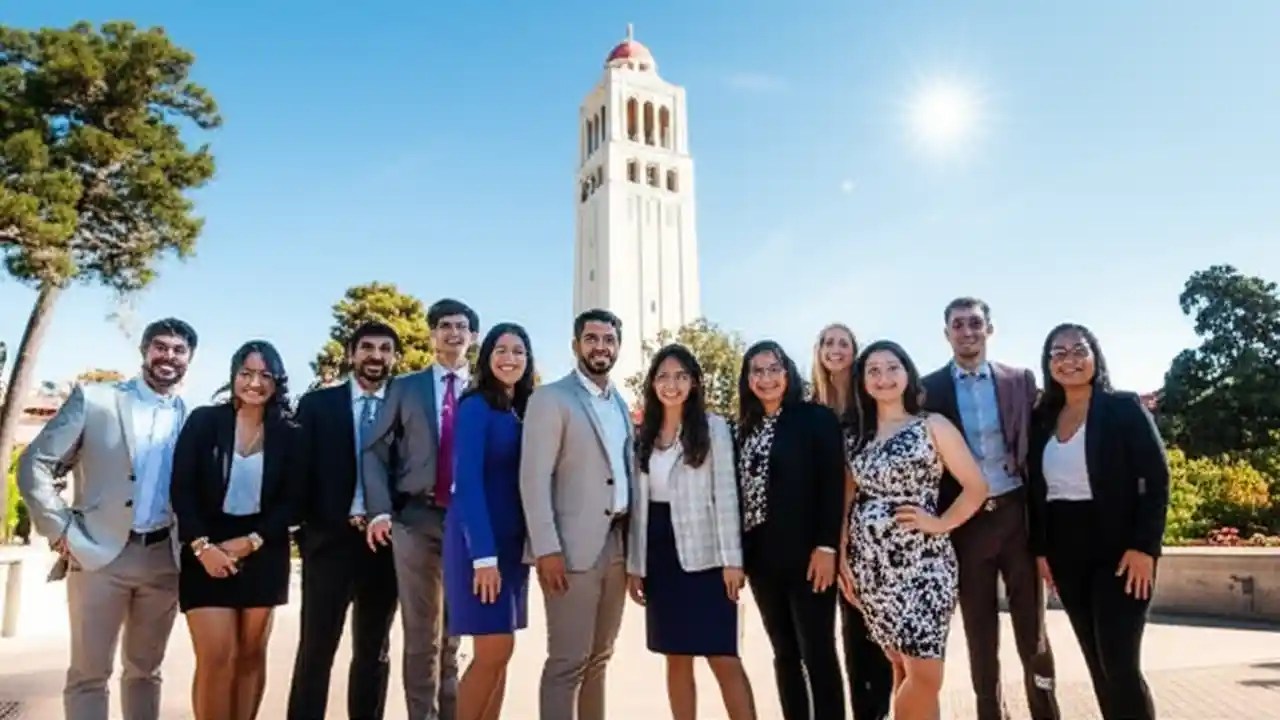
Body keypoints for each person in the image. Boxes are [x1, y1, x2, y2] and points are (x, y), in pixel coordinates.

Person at [17, 318, 198, 720]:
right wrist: (60, 529)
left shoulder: (193, 418)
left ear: (189, 359)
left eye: (179, 350)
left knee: (146, 672)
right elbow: (35, 466)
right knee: (88, 673)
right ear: (145, 351)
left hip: (164, 560)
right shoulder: (96, 399)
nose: (168, 356)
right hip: (98, 554)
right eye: (160, 346)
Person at [920, 298, 1061, 720]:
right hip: (966, 524)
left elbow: (1039, 447)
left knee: (1032, 633)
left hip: (1016, 516)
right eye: (958, 325)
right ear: (947, 334)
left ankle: (1045, 711)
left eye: (975, 323)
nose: (967, 331)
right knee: (980, 634)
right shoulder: (928, 390)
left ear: (989, 329)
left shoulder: (1019, 380)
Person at [1027, 323, 1168, 720]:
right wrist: (1040, 550)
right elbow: (1037, 490)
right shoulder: (1043, 418)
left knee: (1120, 665)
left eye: (1078, 350)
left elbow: (1156, 480)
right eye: (1058, 353)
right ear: (1048, 362)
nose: (1068, 360)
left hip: (1121, 551)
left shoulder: (1122, 407)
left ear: (1095, 356)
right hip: (1066, 550)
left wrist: (1145, 547)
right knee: (1096, 664)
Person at [845, 340, 988, 719]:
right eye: (873, 370)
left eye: (892, 367)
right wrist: (843, 556)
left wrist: (940, 523)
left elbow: (977, 488)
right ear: (862, 382)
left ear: (907, 373)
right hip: (872, 568)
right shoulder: (856, 437)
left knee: (925, 673)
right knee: (901, 667)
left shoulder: (932, 426)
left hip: (925, 564)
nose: (884, 377)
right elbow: (846, 501)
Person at [626, 344, 757, 720]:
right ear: (653, 384)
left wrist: (732, 561)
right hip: (660, 552)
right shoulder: (643, 434)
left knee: (723, 656)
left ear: (694, 383)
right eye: (664, 376)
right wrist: (637, 564)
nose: (672, 384)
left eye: (681, 376)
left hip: (707, 554)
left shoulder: (714, 428)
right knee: (676, 656)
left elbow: (727, 495)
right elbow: (639, 506)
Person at [170, 340, 299, 720]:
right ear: (233, 376)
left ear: (277, 381)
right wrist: (202, 546)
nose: (254, 382)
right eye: (246, 373)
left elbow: (295, 497)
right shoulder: (204, 421)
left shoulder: (291, 432)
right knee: (217, 656)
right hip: (205, 548)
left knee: (250, 655)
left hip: (265, 548)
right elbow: (182, 488)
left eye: (264, 375)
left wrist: (253, 540)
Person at [362, 298, 478, 720]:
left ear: (473, 336)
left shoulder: (487, 390)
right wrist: (379, 510)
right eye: (444, 325)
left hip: (469, 524)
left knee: (455, 635)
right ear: (432, 334)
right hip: (415, 521)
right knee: (420, 635)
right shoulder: (404, 387)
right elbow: (374, 449)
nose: (452, 333)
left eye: (461, 326)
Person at [519, 308, 632, 720]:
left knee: (600, 659)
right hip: (568, 549)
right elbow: (533, 479)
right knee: (567, 662)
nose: (600, 346)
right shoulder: (550, 398)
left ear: (617, 346)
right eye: (592, 338)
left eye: (608, 339)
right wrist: (546, 548)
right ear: (575, 345)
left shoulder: (620, 403)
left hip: (618, 543)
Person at [288, 322, 402, 720]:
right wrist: (308, 535)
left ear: (394, 357)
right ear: (352, 354)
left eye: (385, 349)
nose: (375, 356)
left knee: (374, 651)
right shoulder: (318, 405)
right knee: (316, 651)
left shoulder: (403, 405)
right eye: (367, 347)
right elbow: (298, 474)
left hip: (384, 547)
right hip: (328, 545)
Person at [735, 340, 845, 720]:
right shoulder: (743, 429)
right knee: (784, 654)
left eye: (773, 369)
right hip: (763, 562)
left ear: (788, 373)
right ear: (747, 379)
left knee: (818, 652)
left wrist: (827, 546)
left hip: (809, 558)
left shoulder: (815, 418)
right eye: (756, 371)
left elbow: (832, 485)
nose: (765, 378)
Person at [446, 323, 537, 720]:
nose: (510, 358)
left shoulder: (524, 410)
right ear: (487, 357)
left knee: (502, 654)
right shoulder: (475, 406)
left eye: (518, 351)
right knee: (492, 651)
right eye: (501, 350)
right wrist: (483, 556)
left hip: (513, 545)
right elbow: (465, 482)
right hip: (478, 544)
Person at [811, 323, 893, 720]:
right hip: (824, 534)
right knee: (837, 638)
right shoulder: (809, 407)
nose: (835, 349)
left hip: (872, 531)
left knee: (872, 633)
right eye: (828, 342)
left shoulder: (870, 404)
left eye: (843, 343)